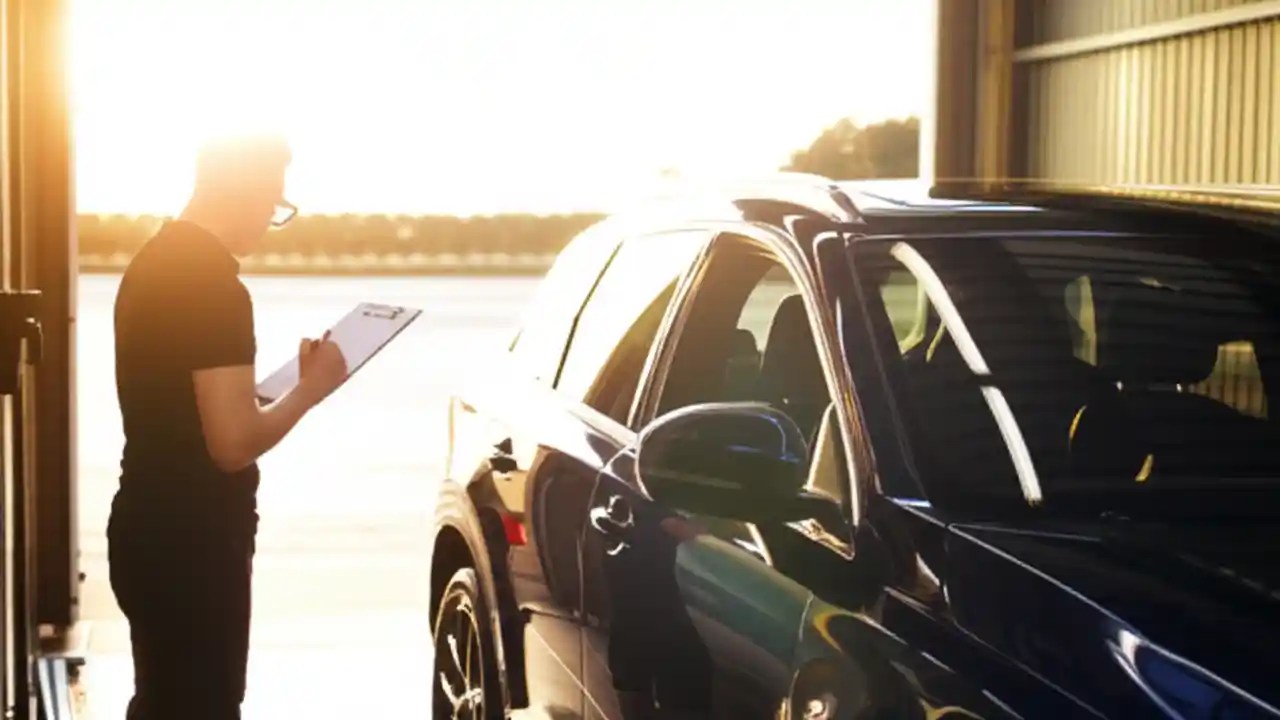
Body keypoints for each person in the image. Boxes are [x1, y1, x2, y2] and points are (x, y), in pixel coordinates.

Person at [106, 133, 349, 719]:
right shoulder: (216, 289)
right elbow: (232, 445)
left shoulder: (154, 262)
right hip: (194, 545)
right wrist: (310, 390)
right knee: (200, 706)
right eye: (273, 205)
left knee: (162, 699)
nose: (271, 220)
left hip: (147, 524)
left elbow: (183, 401)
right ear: (244, 194)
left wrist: (261, 393)